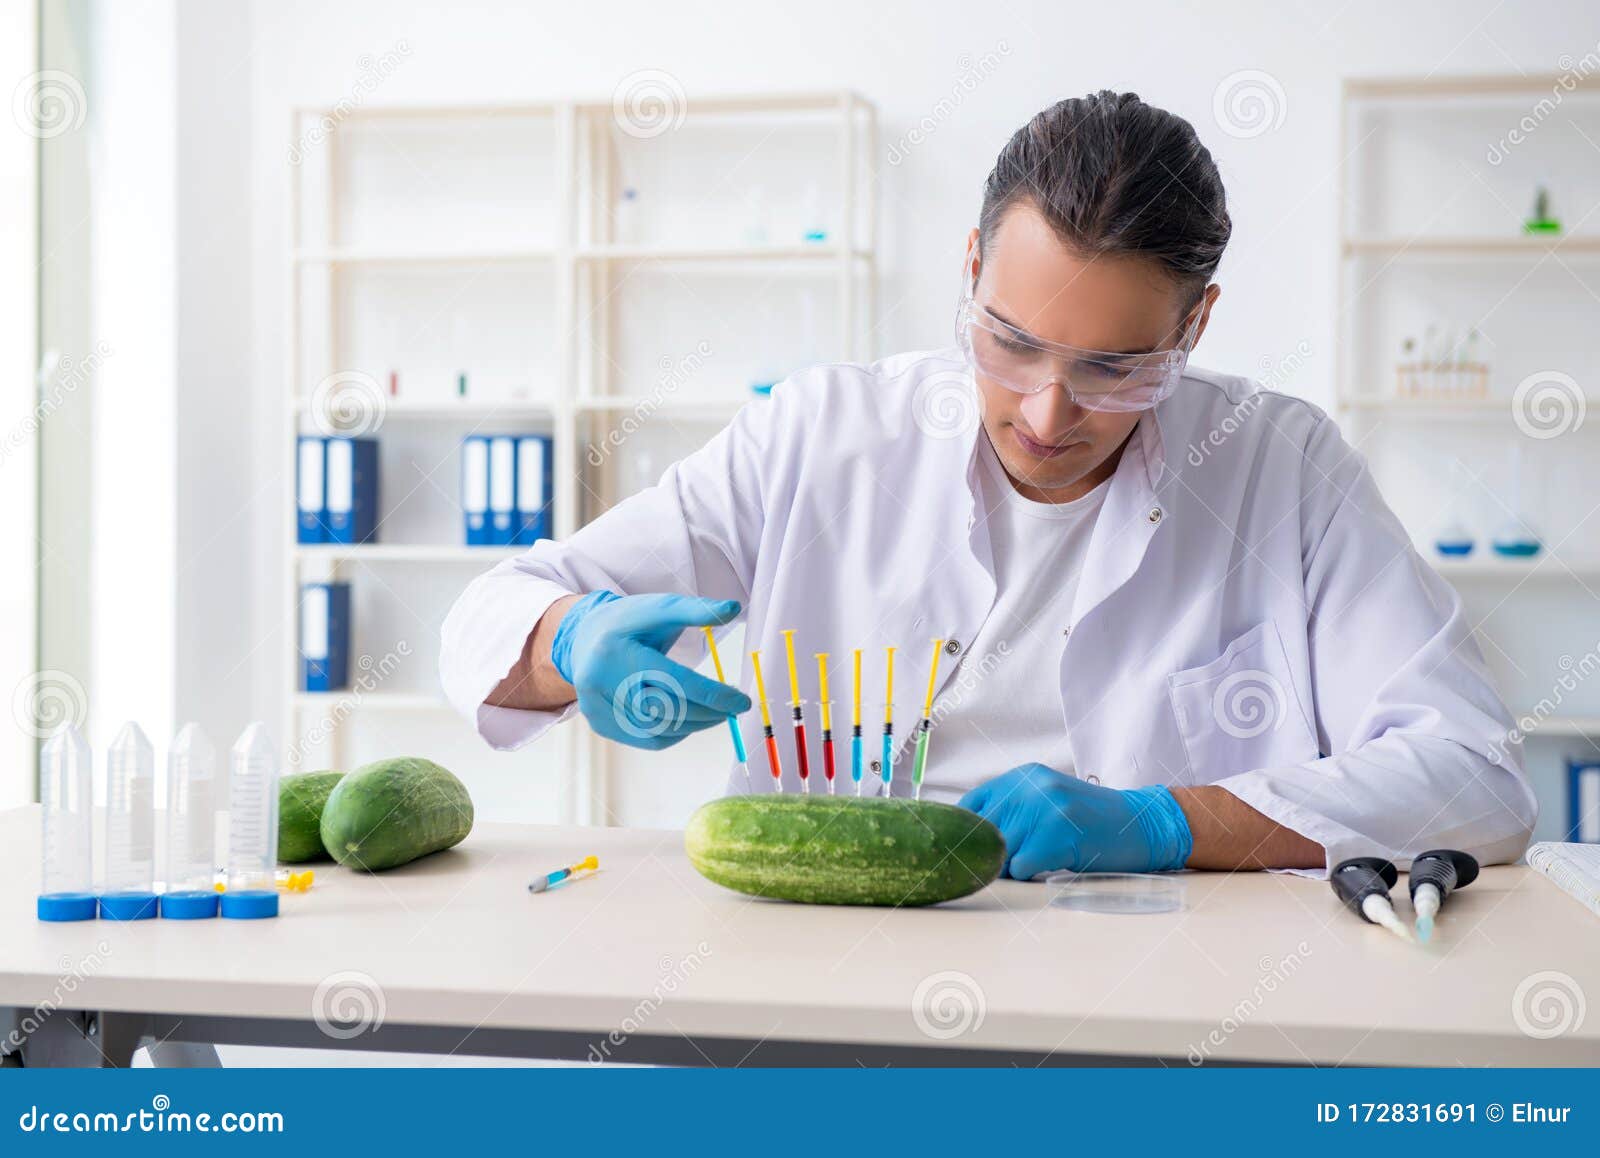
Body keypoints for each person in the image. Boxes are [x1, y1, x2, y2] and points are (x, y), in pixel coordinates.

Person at [441, 91, 1536, 878]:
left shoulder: (1279, 468)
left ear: (1195, 324)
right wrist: (570, 644)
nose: (1046, 413)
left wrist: (1168, 823)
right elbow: (488, 612)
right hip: (823, 976)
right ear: (969, 270)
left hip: (1164, 1000)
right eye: (1009, 343)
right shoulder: (819, 434)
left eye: (1114, 369)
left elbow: (1474, 778)